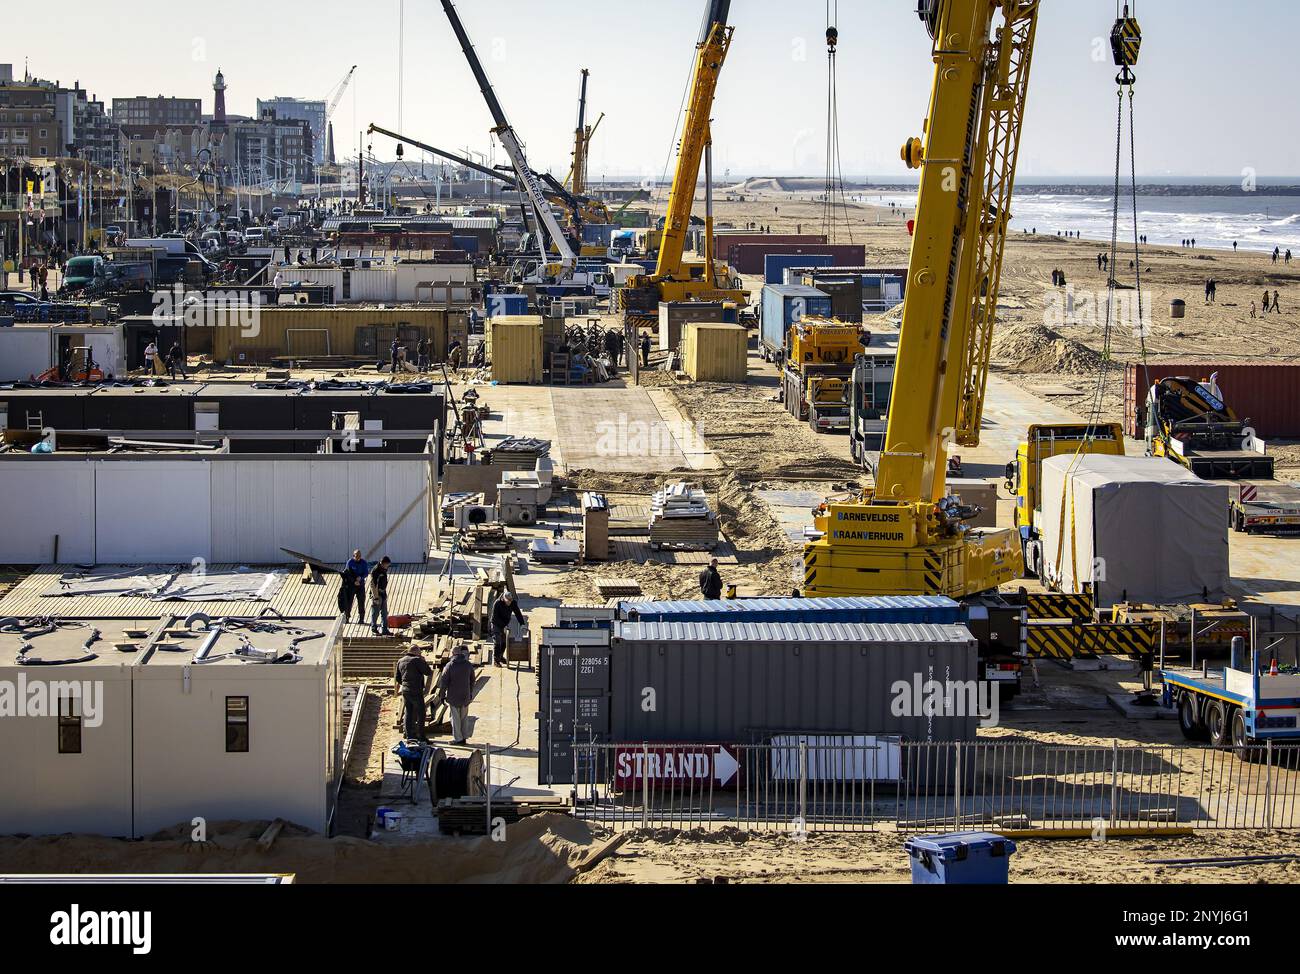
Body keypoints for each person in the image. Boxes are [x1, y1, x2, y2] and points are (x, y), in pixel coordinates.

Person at [393, 644, 434, 741]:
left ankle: (409, 735)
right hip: (416, 689)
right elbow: (428, 672)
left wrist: (405, 684)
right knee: (421, 713)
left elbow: (397, 678)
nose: (420, 654)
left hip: (405, 690)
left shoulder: (401, 660)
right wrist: (423, 661)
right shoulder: (417, 660)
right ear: (415, 652)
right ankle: (421, 736)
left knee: (409, 711)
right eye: (419, 652)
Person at [438, 644, 475, 745]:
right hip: (465, 696)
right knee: (464, 718)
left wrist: (441, 696)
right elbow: (472, 680)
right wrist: (470, 692)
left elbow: (444, 682)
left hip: (453, 696)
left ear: (453, 654)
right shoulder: (468, 664)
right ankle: (464, 737)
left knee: (455, 719)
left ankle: (458, 739)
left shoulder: (450, 665)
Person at [490, 590, 525, 666]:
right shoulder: (497, 603)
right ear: (504, 598)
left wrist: (522, 624)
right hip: (496, 624)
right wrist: (503, 626)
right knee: (497, 642)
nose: (509, 603)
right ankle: (496, 661)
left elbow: (518, 613)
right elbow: (495, 618)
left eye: (510, 601)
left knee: (505, 642)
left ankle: (500, 657)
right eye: (508, 601)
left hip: (505, 624)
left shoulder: (513, 603)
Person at [368, 556, 392, 635]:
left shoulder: (384, 569)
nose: (388, 566)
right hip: (377, 594)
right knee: (375, 612)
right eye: (387, 564)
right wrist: (376, 597)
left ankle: (384, 629)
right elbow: (373, 585)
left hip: (383, 593)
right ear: (383, 563)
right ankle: (374, 628)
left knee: (384, 613)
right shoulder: (375, 571)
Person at [346, 549, 369, 624]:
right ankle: (347, 617)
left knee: (361, 602)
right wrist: (354, 581)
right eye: (356, 556)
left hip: (360, 585)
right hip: (352, 585)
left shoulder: (364, 562)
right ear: (353, 556)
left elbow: (366, 573)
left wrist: (361, 578)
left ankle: (361, 618)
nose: (358, 557)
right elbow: (347, 573)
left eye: (359, 556)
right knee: (349, 601)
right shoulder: (350, 562)